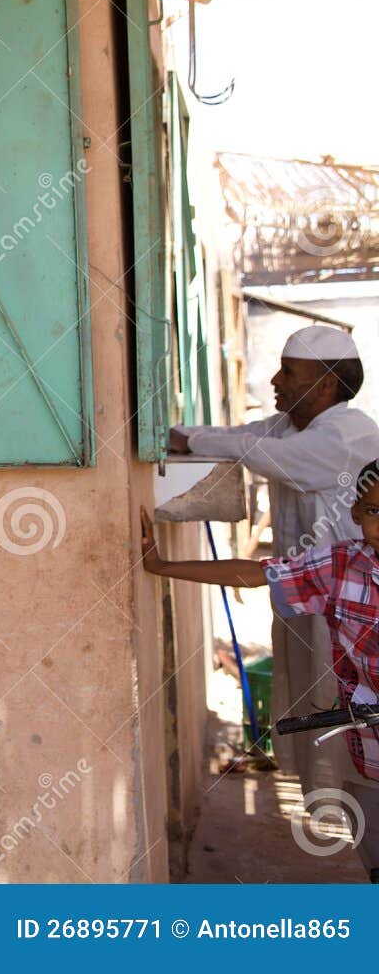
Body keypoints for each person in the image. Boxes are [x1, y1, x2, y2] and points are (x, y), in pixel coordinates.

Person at [169, 324, 379, 795]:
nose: (274, 381)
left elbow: (261, 453)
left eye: (288, 371)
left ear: (326, 384)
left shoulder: (347, 433)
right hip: (310, 589)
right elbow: (245, 436)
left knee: (344, 697)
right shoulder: (291, 427)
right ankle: (344, 803)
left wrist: (190, 440)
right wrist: (185, 436)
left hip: (353, 599)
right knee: (315, 694)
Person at [141, 473, 379, 880]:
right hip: (370, 756)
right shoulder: (340, 567)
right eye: (375, 510)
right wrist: (161, 566)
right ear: (356, 514)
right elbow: (257, 574)